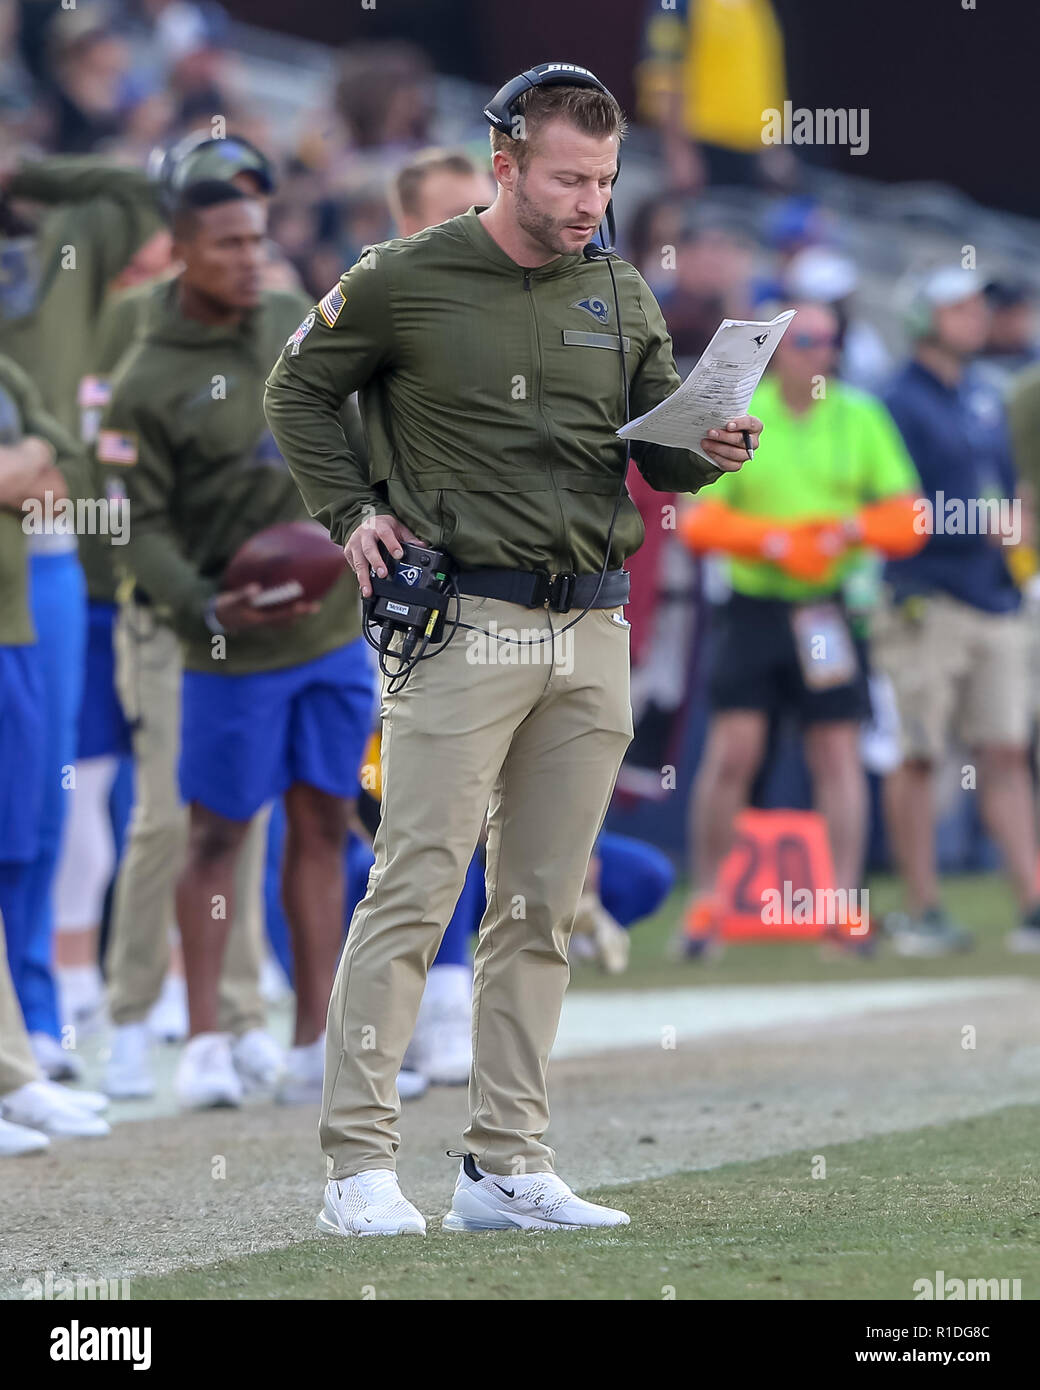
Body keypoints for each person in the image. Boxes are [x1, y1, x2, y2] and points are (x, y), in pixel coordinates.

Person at [265, 64, 761, 1236]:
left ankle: (504, 1162)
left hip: (592, 625)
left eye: (603, 178)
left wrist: (714, 439)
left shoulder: (620, 288)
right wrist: (350, 516)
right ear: (504, 162)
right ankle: (356, 1169)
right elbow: (294, 391)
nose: (591, 199)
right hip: (462, 618)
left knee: (541, 904)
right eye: (567, 177)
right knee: (417, 888)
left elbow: (660, 453)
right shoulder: (406, 275)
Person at [95, 181, 373, 1108]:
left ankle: (311, 1041)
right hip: (229, 648)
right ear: (181, 248)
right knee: (214, 834)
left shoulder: (299, 317)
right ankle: (206, 1038)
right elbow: (133, 527)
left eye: (258, 238)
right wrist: (207, 607)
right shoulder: (141, 382)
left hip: (331, 628)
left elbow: (356, 431)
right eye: (227, 244)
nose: (250, 256)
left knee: (326, 824)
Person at [679, 301, 923, 951]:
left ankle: (842, 906)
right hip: (758, 605)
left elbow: (909, 515)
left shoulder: (860, 414)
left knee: (836, 751)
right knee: (734, 750)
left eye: (828, 340)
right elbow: (697, 520)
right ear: (779, 349)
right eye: (806, 340)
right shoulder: (741, 412)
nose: (820, 352)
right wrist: (778, 543)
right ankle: (707, 903)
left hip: (825, 611)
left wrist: (846, 530)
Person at [874, 268, 1040, 956]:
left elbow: (1009, 488)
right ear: (924, 318)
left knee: (1005, 750)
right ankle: (922, 907)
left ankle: (1032, 904)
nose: (976, 319)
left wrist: (1017, 529)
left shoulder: (981, 394)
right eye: (960, 308)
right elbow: (893, 509)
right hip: (925, 596)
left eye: (978, 308)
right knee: (920, 753)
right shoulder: (892, 401)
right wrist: (986, 524)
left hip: (991, 593)